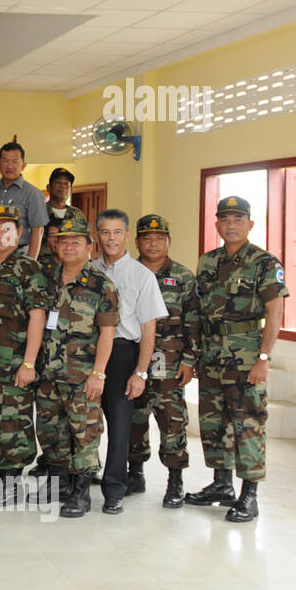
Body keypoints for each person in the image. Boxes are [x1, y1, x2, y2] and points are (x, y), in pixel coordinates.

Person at [186, 195, 287, 523]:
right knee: (214, 424)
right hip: (212, 358)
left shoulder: (264, 263)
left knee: (248, 425)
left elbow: (275, 313)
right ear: (216, 224)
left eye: (238, 219)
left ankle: (250, 496)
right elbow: (200, 311)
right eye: (225, 219)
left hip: (245, 359)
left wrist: (263, 357)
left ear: (250, 224)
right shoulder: (207, 261)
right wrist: (197, 355)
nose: (231, 225)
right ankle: (221, 485)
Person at [0, 204, 51, 505]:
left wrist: (29, 362)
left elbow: (38, 317)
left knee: (12, 425)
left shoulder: (30, 268)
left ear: (20, 232)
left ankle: (12, 482)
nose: (1, 234)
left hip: (12, 365)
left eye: (8, 229)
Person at [36, 218, 119, 518]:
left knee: (84, 433)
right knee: (50, 431)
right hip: (48, 374)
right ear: (56, 246)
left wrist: (99, 373)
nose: (68, 246)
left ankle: (81, 493)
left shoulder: (101, 285)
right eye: (63, 241)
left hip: (81, 375)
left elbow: (107, 333)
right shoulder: (45, 278)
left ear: (89, 246)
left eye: (76, 241)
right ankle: (58, 485)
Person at [89, 209, 168, 515]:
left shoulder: (141, 275)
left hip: (123, 353)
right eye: (105, 232)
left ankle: (114, 489)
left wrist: (141, 372)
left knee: (120, 426)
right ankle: (81, 479)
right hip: (89, 350)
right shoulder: (89, 269)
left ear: (125, 237)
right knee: (84, 421)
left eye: (117, 232)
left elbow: (149, 328)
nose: (111, 238)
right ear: (98, 235)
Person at [130, 214, 199, 508]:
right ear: (137, 242)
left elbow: (193, 320)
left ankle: (175, 480)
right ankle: (135, 473)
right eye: (147, 237)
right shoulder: (126, 272)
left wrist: (189, 359)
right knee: (133, 420)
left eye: (159, 238)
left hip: (169, 363)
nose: (153, 243)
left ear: (168, 241)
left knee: (172, 421)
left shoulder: (183, 277)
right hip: (131, 362)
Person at [0, 141, 48, 259]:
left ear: (24, 165)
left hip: (21, 254)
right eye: (5, 161)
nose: (10, 166)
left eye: (15, 161)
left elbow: (38, 230)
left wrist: (31, 262)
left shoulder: (33, 194)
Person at [44, 168, 86, 239]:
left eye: (66, 184)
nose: (63, 186)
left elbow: (84, 239)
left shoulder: (78, 214)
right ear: (49, 188)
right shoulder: (39, 212)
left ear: (71, 190)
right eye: (58, 183)